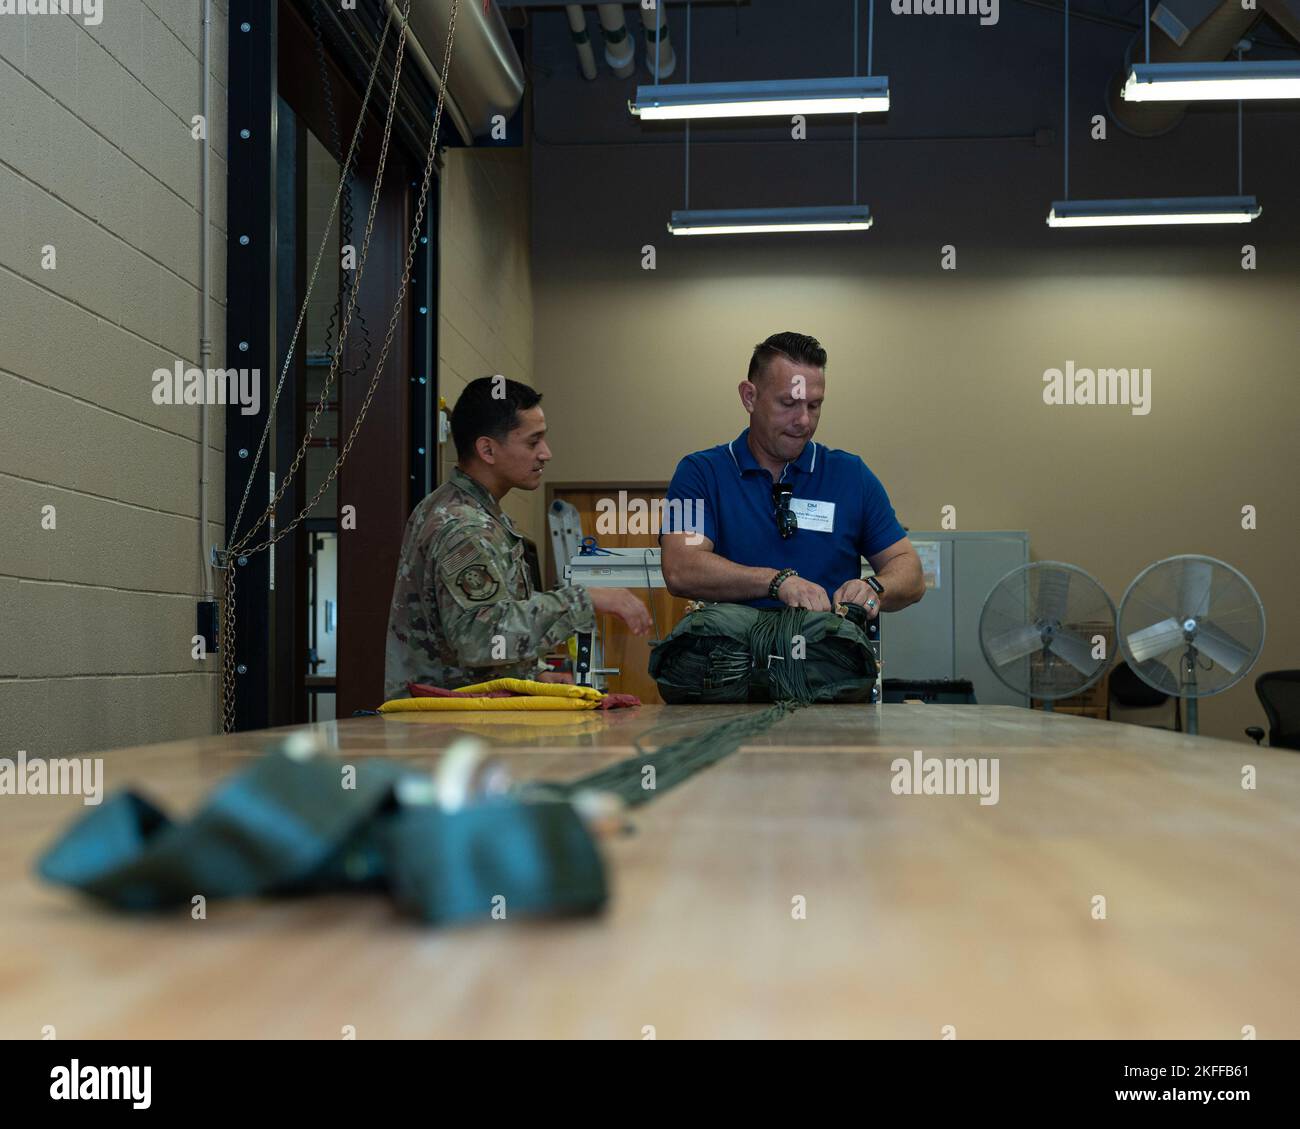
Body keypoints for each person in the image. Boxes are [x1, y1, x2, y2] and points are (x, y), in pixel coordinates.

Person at [384, 376, 651, 700]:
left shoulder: (468, 512)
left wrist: (531, 675)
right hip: (448, 731)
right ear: (487, 449)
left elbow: (465, 637)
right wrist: (584, 599)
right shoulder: (463, 526)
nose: (546, 453)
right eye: (532, 442)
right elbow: (479, 638)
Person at [659, 331, 924, 620]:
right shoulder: (697, 473)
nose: (803, 421)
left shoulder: (852, 476)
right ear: (749, 397)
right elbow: (680, 568)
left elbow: (909, 570)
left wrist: (874, 588)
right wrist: (776, 582)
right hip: (731, 661)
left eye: (814, 405)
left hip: (826, 660)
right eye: (788, 404)